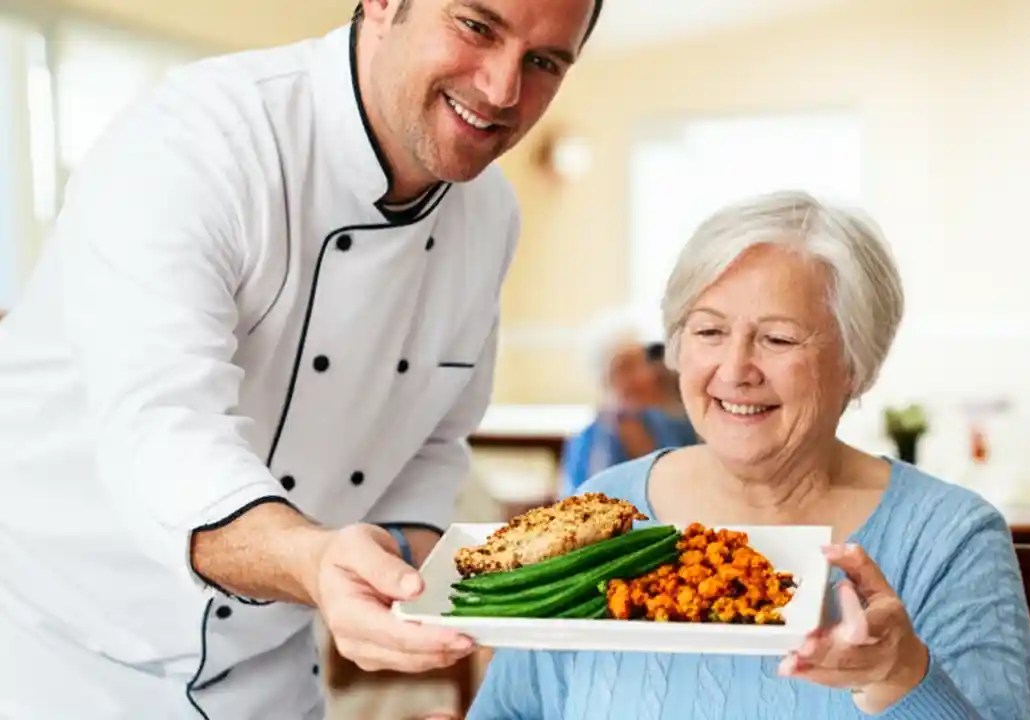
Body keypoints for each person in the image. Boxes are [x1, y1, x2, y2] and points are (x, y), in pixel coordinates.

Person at [0, 0, 602, 716]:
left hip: (267, 668)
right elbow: (161, 429)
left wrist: (401, 580)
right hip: (54, 651)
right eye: (476, 26)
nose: (503, 90)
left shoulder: (489, 213)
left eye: (543, 62)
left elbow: (431, 446)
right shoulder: (200, 138)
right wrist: (316, 565)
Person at [470, 191, 1030, 718]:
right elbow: (510, 711)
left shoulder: (948, 539)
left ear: (854, 363)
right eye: (710, 332)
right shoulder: (605, 510)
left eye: (779, 339)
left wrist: (901, 677)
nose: (736, 370)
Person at [560, 315, 699, 496]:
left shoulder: (675, 425)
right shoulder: (591, 443)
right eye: (625, 368)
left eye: (642, 363)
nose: (644, 376)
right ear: (604, 380)